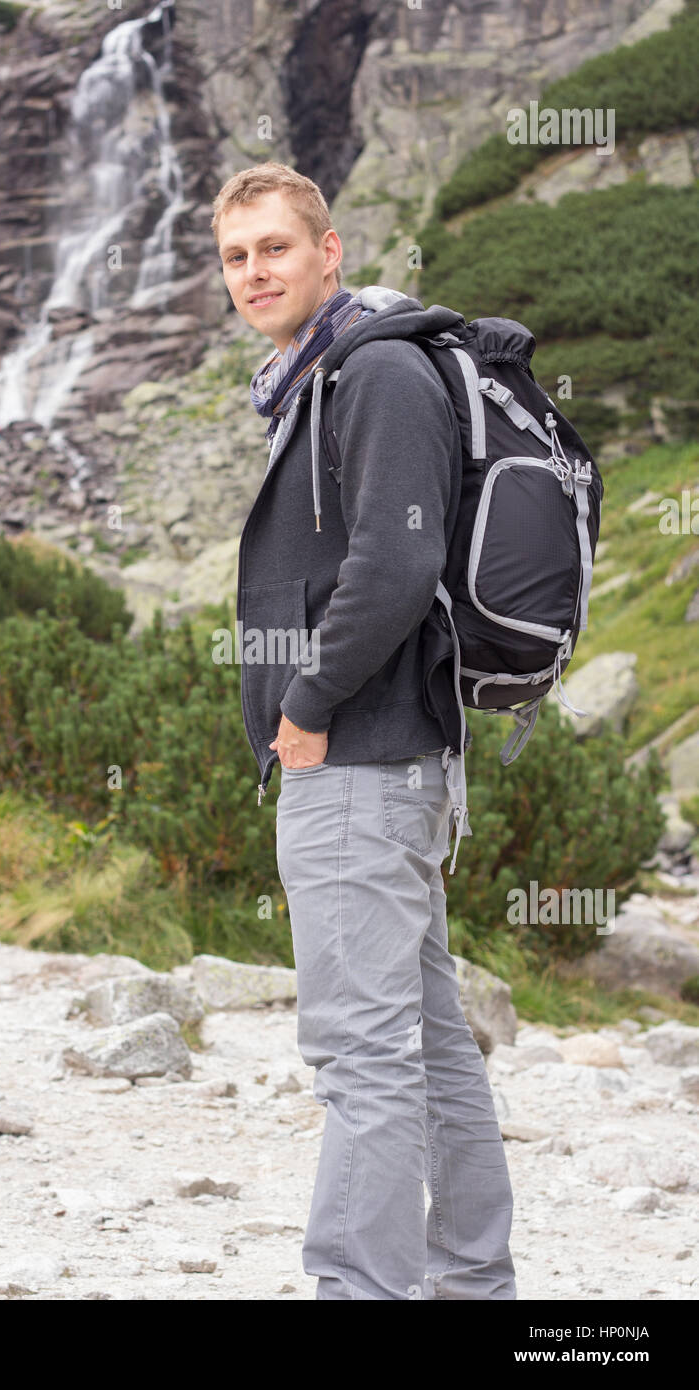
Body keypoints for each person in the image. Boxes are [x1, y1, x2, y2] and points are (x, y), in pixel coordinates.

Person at [212, 161, 516, 1300]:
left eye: (275, 249)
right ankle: (471, 1284)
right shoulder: (328, 377)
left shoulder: (376, 371)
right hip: (386, 765)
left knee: (360, 1059)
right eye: (235, 255)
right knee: (427, 1049)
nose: (253, 273)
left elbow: (392, 566)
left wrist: (300, 706)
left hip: (356, 762)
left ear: (327, 252)